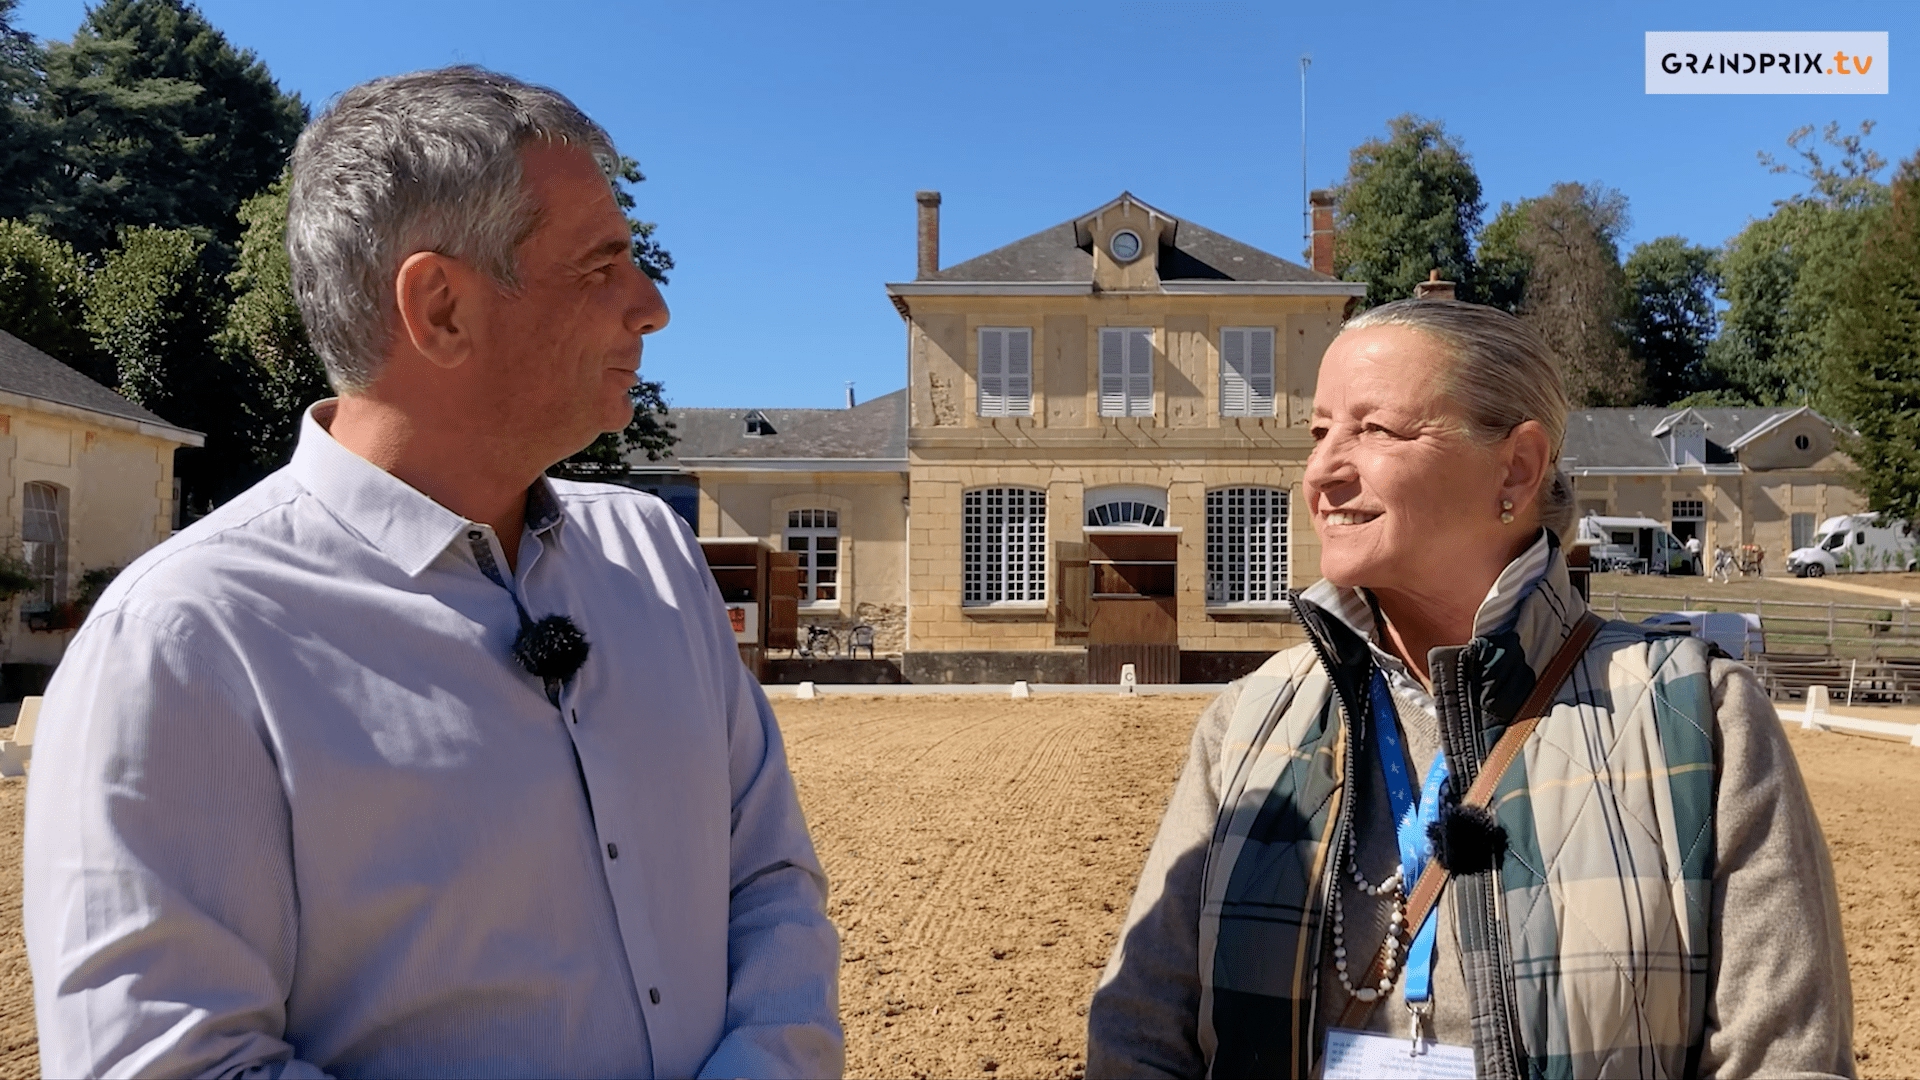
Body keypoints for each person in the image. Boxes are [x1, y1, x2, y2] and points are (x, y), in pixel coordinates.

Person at [24, 67, 842, 1079]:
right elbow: (170, 1062)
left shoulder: (654, 558)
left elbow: (769, 887)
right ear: (441, 307)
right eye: (602, 267)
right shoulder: (190, 638)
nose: (653, 306)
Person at [1086, 299, 1852, 1079]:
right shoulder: (1248, 721)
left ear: (1516, 468)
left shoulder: (1700, 721)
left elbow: (1783, 1061)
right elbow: (1139, 1037)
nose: (1321, 471)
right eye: (1320, 433)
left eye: (1375, 430)